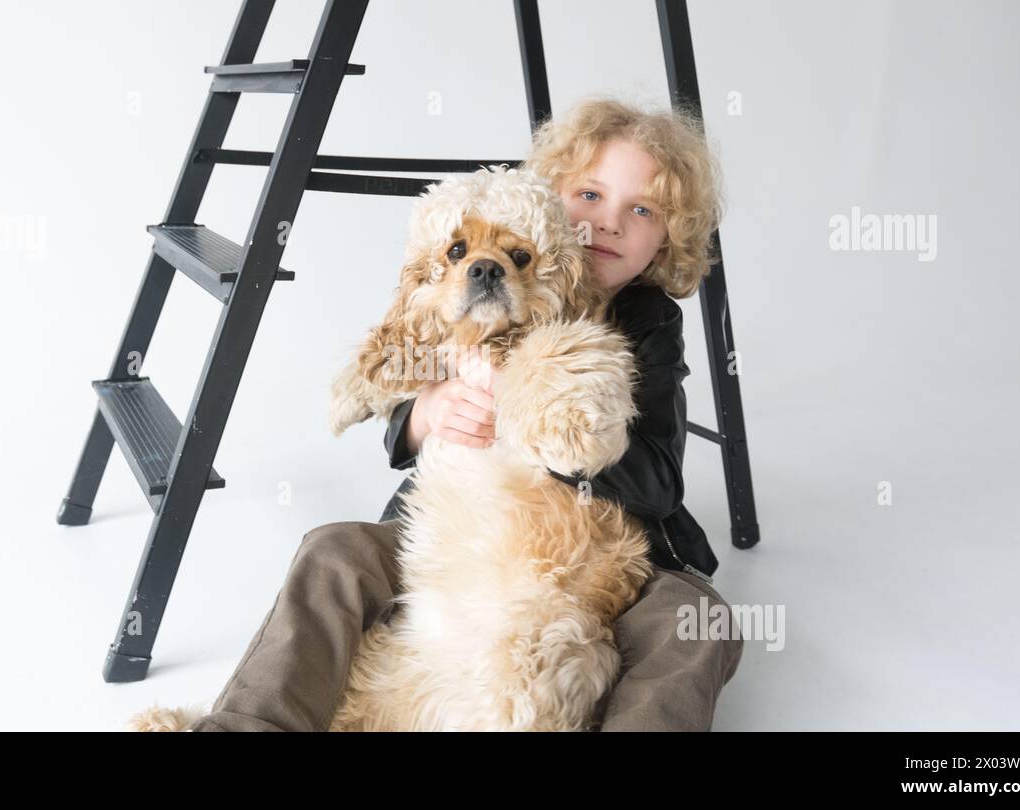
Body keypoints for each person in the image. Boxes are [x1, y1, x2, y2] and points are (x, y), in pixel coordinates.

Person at [189, 96, 743, 732]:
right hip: (461, 545)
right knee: (335, 551)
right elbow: (399, 394)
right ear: (546, 196)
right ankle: (250, 723)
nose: (606, 224)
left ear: (667, 239)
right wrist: (427, 413)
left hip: (598, 565)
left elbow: (657, 481)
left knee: (695, 622)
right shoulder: (475, 286)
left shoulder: (649, 323)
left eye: (640, 210)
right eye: (589, 195)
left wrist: (524, 413)